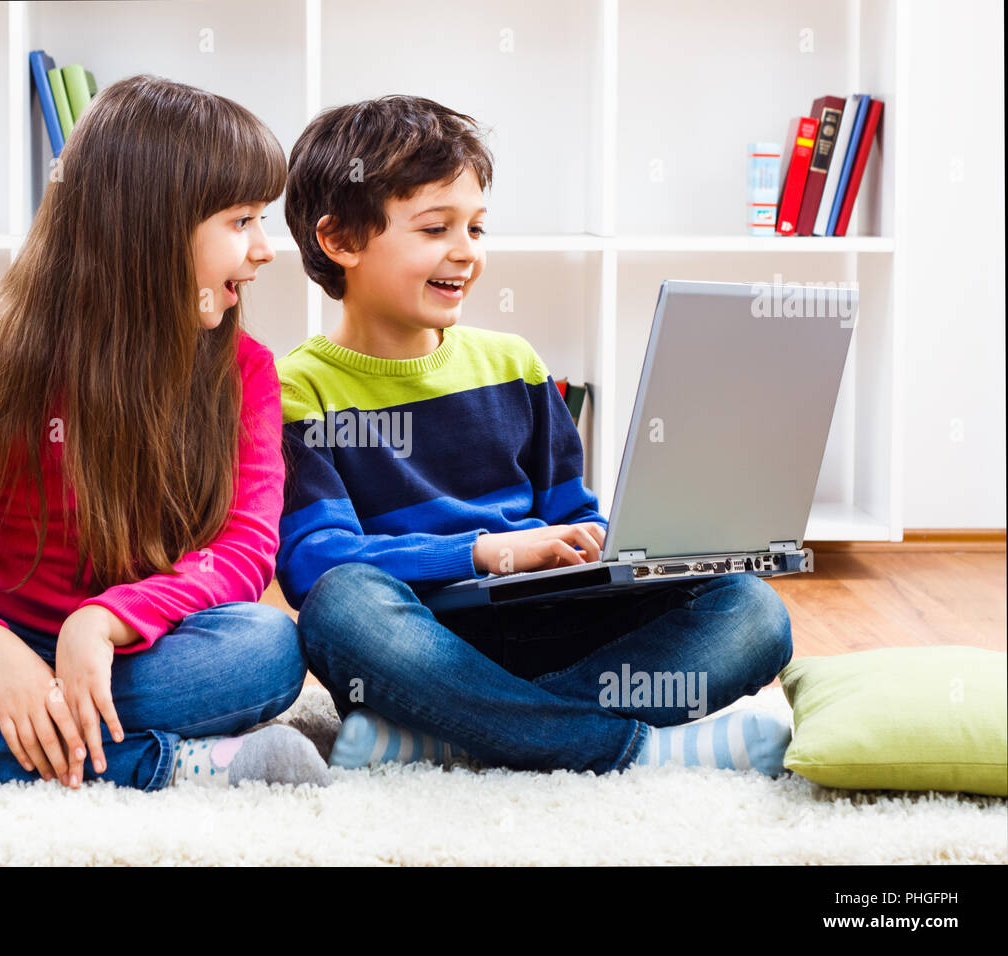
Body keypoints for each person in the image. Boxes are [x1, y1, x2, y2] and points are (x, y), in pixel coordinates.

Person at [0, 75, 330, 792]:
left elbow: (244, 550)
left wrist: (105, 623)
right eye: (241, 221)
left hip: (138, 651)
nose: (263, 249)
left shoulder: (245, 374)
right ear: (148, 227)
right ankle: (167, 764)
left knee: (266, 650)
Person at [275, 94, 795, 777]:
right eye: (436, 229)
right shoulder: (298, 388)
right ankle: (621, 747)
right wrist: (486, 553)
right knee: (341, 608)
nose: (466, 253)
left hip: (554, 631)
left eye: (477, 229)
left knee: (753, 611)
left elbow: (570, 511)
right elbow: (317, 562)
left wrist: (601, 546)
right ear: (339, 240)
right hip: (419, 642)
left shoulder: (514, 364)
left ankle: (464, 734)